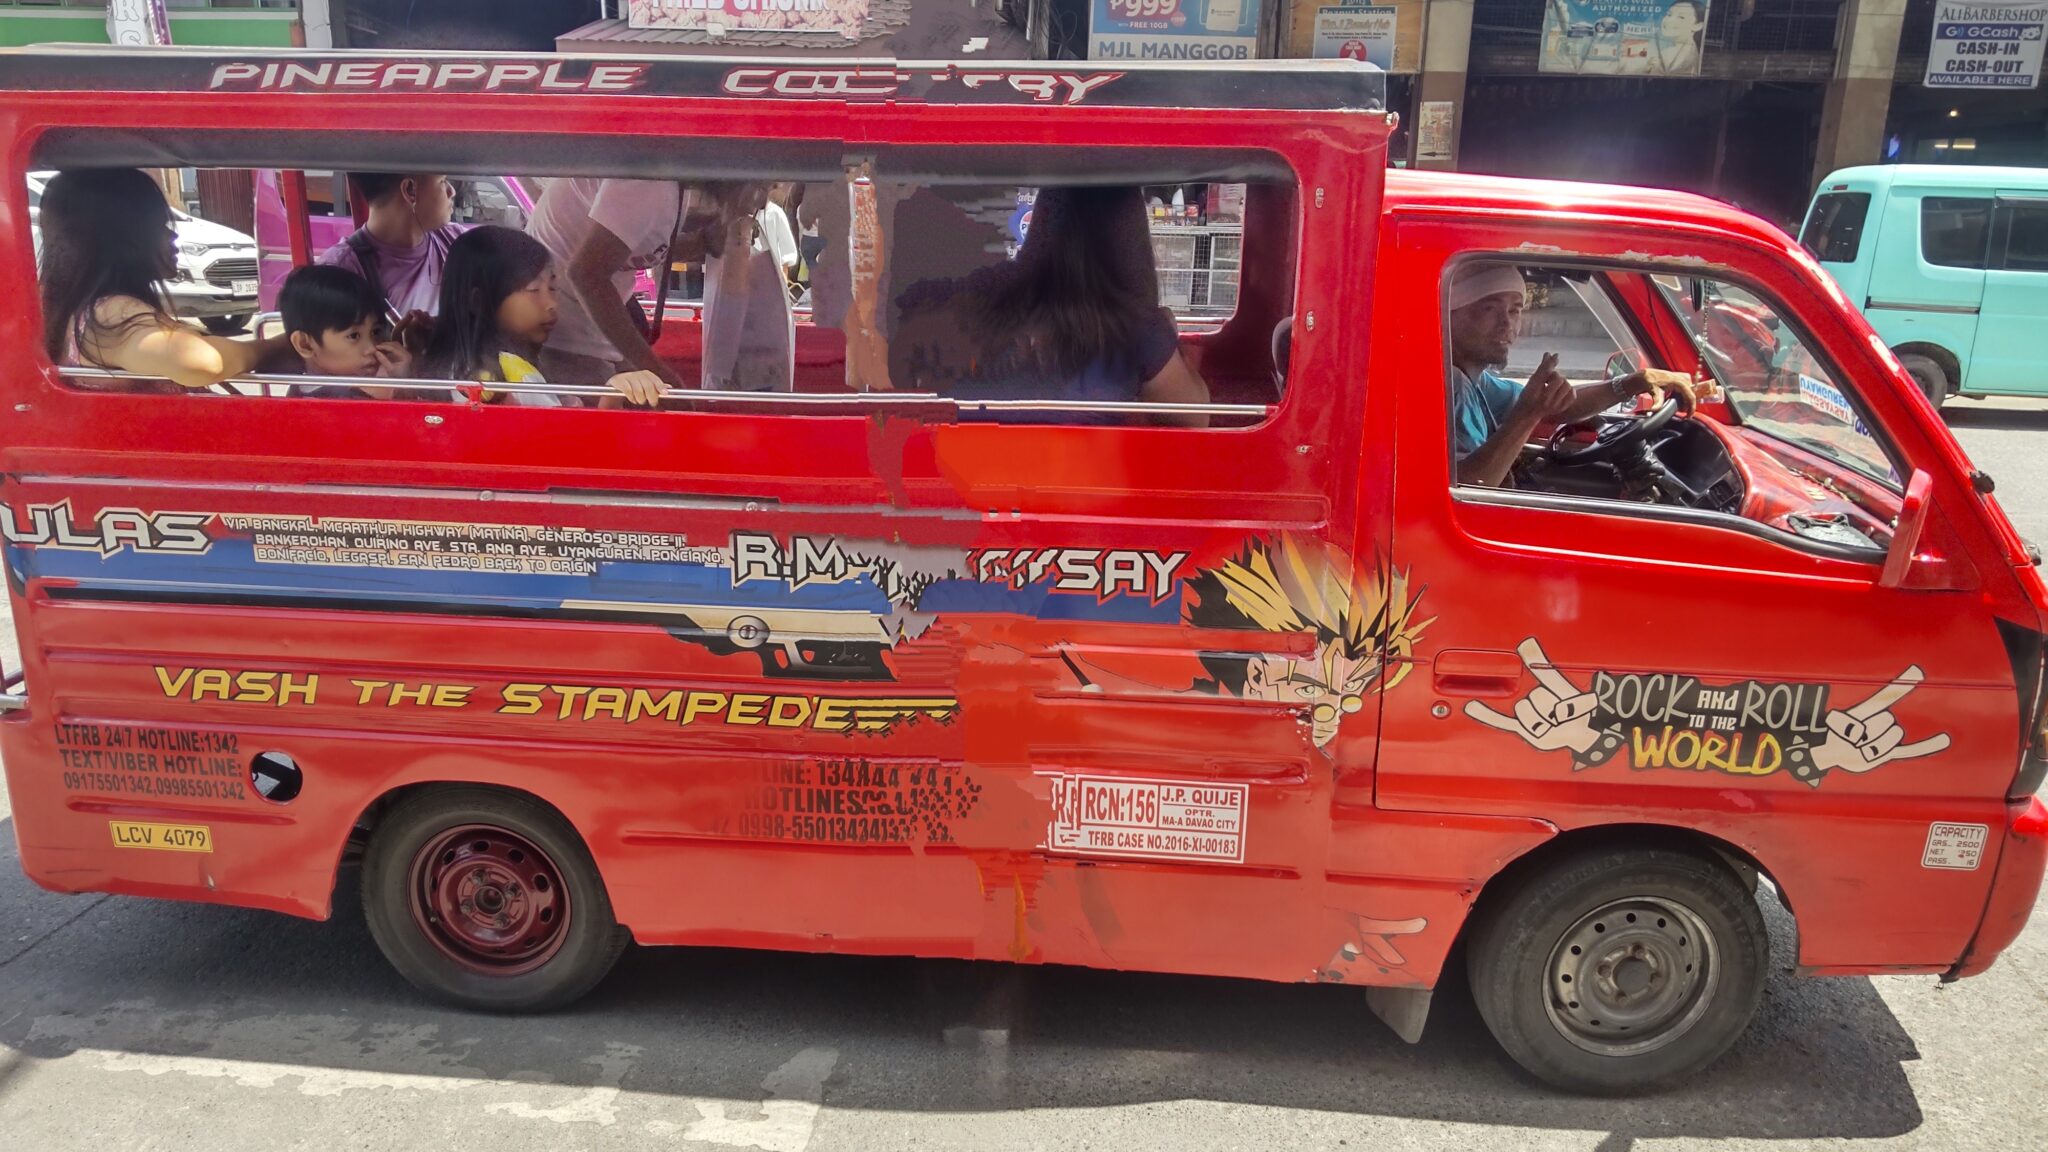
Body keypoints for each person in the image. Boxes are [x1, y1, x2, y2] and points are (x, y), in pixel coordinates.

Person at [889, 185, 1210, 426]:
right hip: (1072, 487)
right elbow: (1195, 417)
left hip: (953, 477)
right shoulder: (1137, 327)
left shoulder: (980, 296)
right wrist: (1168, 332)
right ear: (1132, 237)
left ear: (1042, 223)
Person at [38, 167, 287, 390]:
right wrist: (277, 347)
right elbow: (199, 362)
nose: (172, 236)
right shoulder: (111, 312)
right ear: (125, 239)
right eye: (159, 225)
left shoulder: (59, 300)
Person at [1448, 263, 1695, 487]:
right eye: (1489, 309)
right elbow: (1470, 487)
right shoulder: (1447, 385)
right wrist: (1528, 414)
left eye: (1514, 311)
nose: (1507, 324)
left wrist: (1632, 383)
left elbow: (1557, 406)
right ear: (1448, 314)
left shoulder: (1475, 381)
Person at [423, 225, 667, 408]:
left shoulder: (444, 364)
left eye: (552, 288)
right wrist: (612, 396)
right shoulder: (515, 376)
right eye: (533, 291)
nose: (551, 304)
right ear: (480, 301)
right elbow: (566, 449)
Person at [524, 177, 689, 389]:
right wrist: (657, 372)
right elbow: (587, 275)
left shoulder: (665, 188)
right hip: (563, 339)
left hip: (580, 332)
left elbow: (643, 248)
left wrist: (702, 241)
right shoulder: (646, 183)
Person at [317, 173, 464, 322]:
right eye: (442, 181)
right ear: (410, 190)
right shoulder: (341, 273)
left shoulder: (457, 240)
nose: (452, 191)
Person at [695, 181, 796, 392]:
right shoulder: (725, 225)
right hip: (745, 368)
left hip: (756, 365)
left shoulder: (767, 217)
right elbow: (730, 302)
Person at [278, 264, 414, 401]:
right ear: (305, 344)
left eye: (375, 332)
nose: (372, 348)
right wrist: (404, 386)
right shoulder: (349, 401)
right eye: (354, 336)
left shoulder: (299, 389)